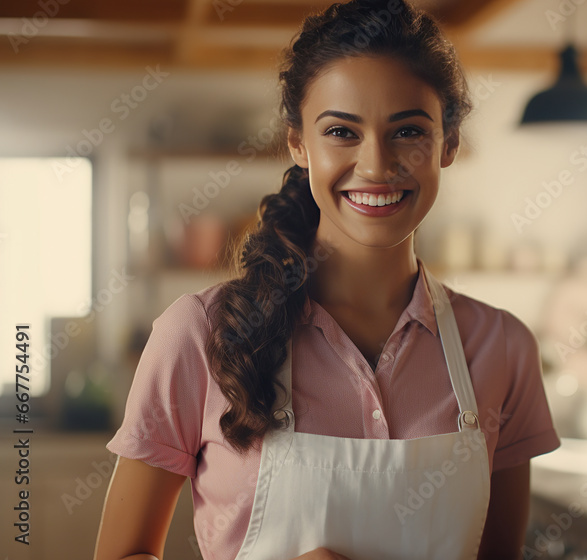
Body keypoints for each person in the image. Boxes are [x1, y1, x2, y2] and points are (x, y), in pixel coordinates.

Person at [93, 1, 561, 558]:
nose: (375, 165)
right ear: (298, 144)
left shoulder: (503, 347)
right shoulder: (199, 335)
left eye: (408, 130)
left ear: (449, 145)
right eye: (342, 130)